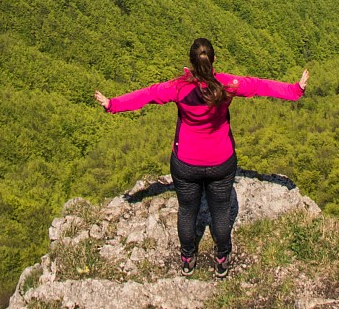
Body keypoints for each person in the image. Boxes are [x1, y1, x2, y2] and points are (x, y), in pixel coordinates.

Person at [95, 38, 308, 279]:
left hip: (186, 162)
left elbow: (148, 95)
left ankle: (187, 259)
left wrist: (112, 104)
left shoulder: (178, 88)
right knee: (220, 211)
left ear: (191, 63)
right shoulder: (227, 84)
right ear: (214, 60)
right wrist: (294, 90)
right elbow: (259, 86)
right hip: (221, 160)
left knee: (187, 211)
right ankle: (222, 259)